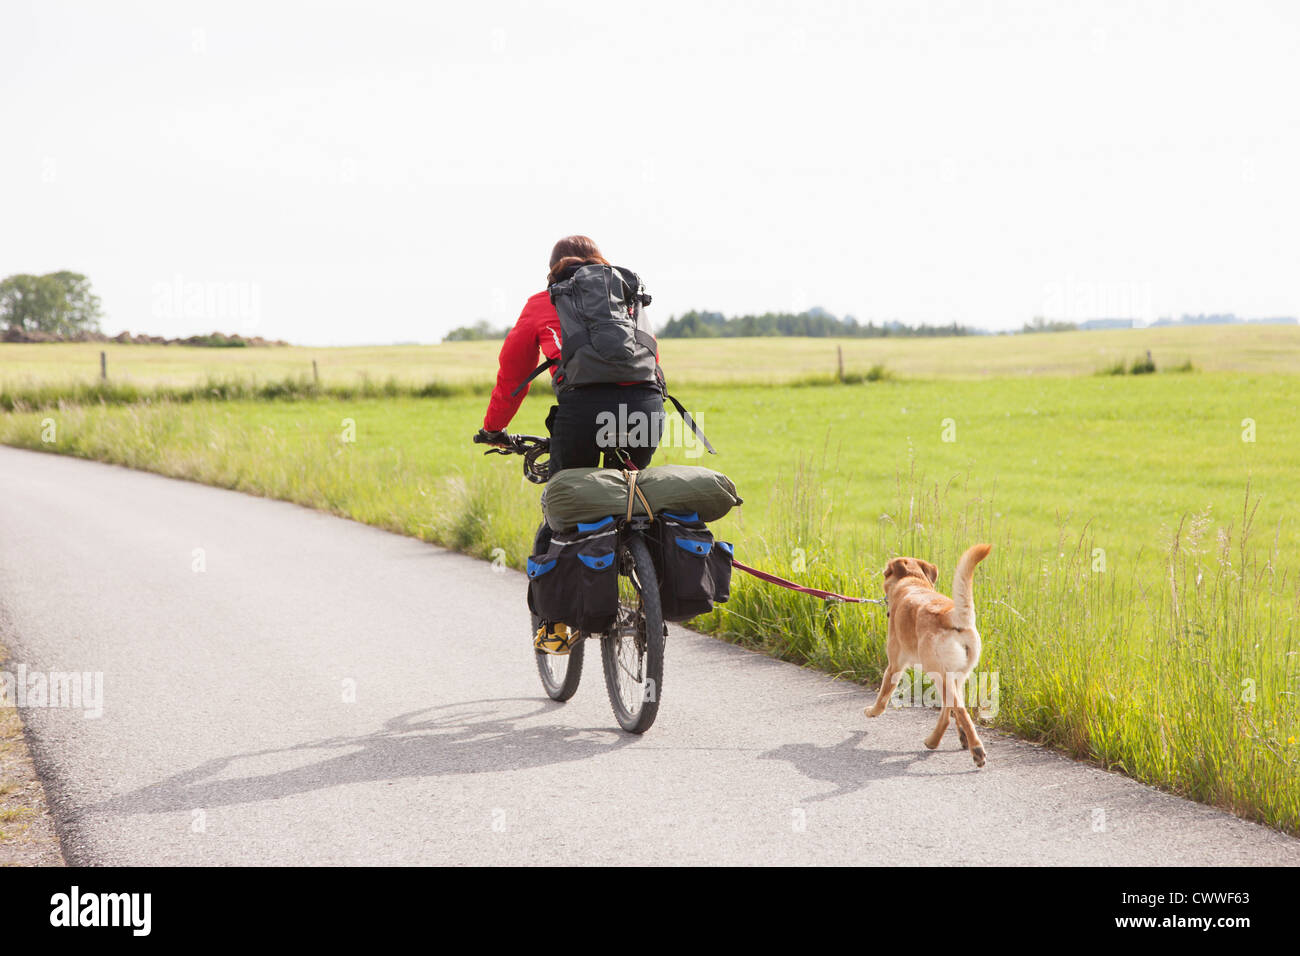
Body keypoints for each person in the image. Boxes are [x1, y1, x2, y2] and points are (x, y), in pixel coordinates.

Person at [474, 236, 666, 653]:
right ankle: (650, 587)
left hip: (582, 413)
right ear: (601, 261)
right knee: (635, 498)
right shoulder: (627, 294)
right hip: (645, 408)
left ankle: (556, 626)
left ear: (553, 268)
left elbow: (512, 375)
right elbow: (652, 358)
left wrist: (493, 428)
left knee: (562, 504)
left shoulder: (545, 302)